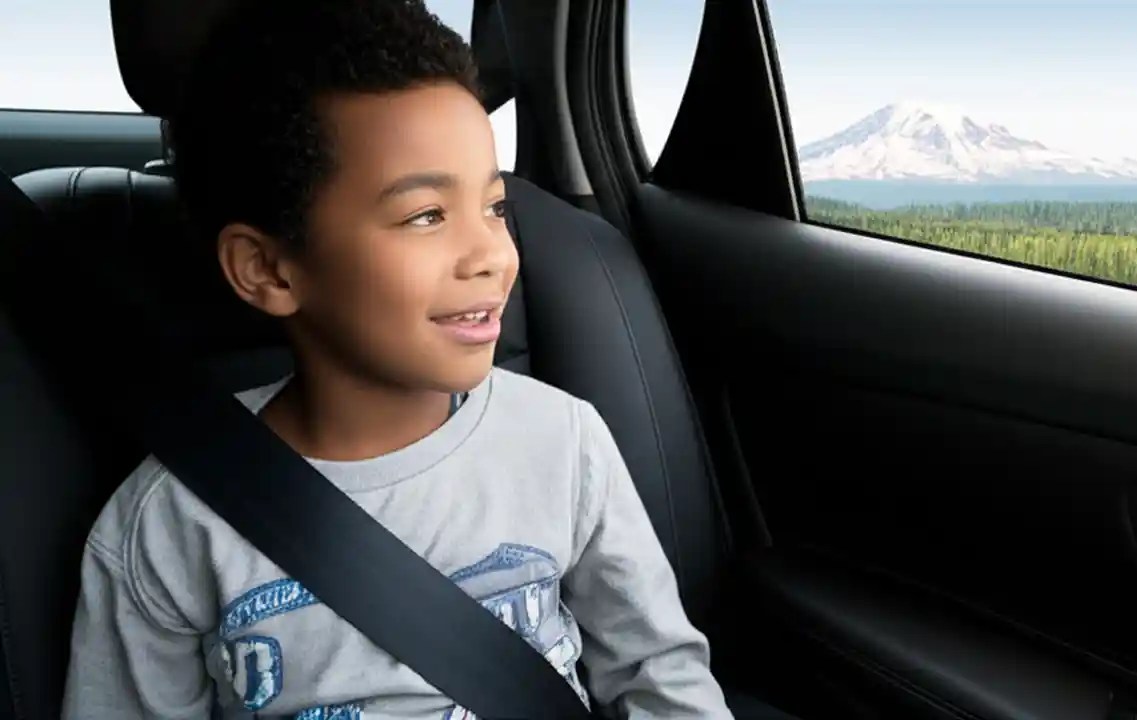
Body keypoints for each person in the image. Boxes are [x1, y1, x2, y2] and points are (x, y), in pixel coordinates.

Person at [59, 0, 734, 717]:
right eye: (426, 216)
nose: (492, 256)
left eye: (496, 208)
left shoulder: (562, 443)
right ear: (269, 271)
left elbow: (660, 675)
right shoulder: (170, 526)